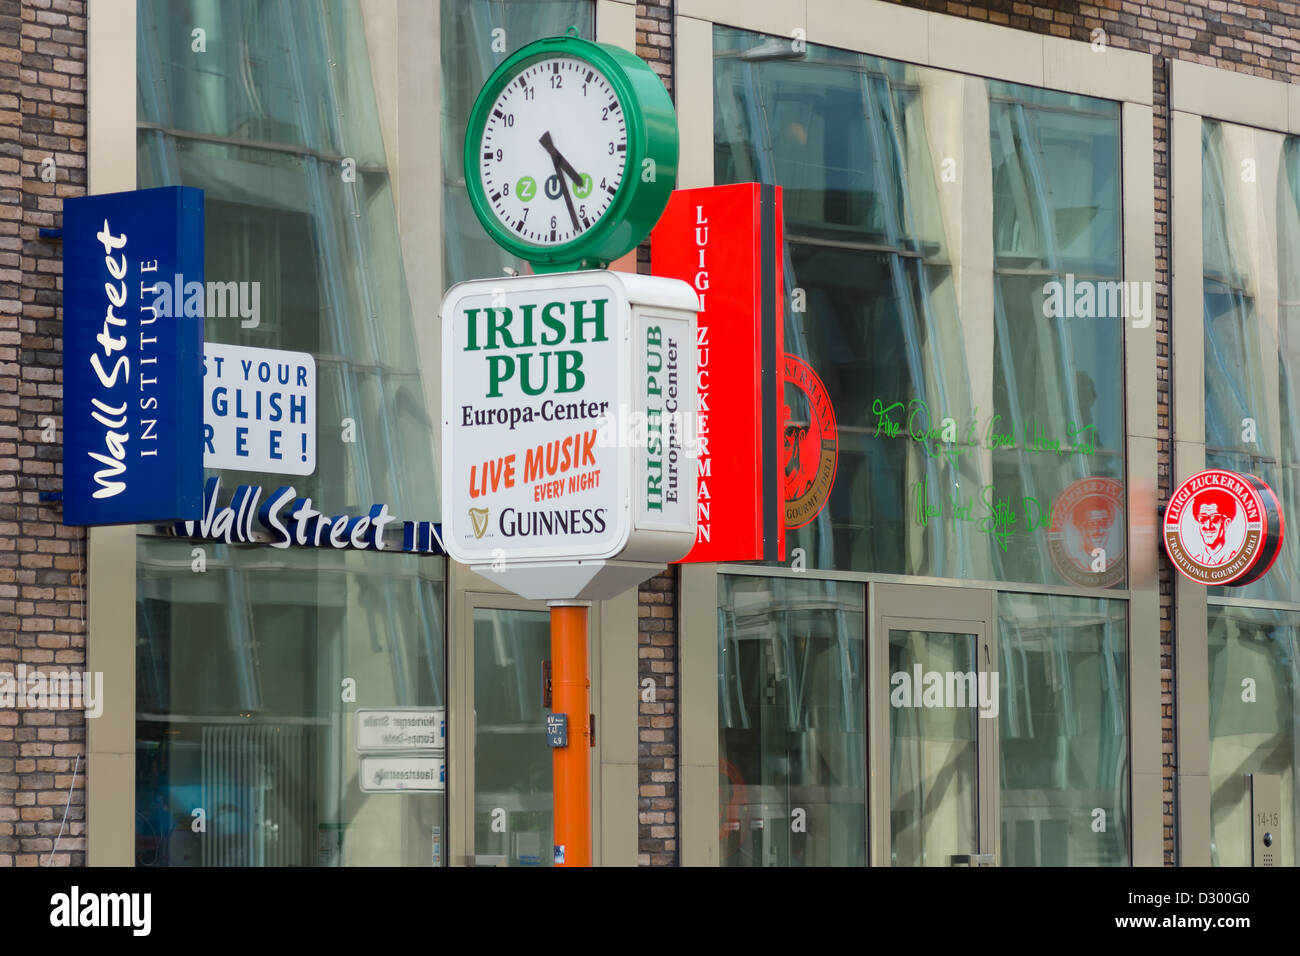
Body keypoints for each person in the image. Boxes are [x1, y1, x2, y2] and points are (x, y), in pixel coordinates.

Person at [1186, 488, 1237, 566]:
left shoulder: (1234, 559)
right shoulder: (1196, 560)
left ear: (1226, 523)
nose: (1208, 526)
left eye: (1215, 518)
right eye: (1203, 518)